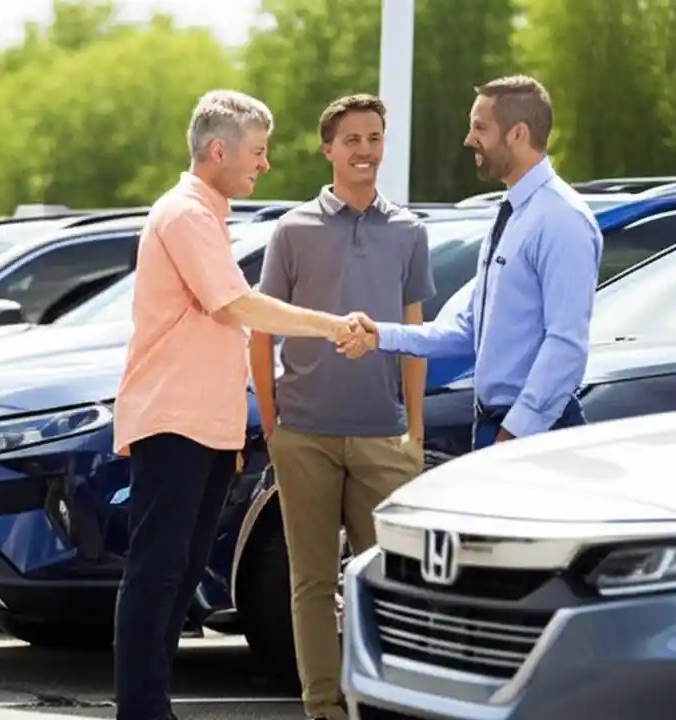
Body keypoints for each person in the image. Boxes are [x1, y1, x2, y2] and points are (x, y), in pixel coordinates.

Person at [111, 89, 354, 720]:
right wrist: (330, 326)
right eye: (257, 151)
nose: (264, 165)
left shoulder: (205, 213)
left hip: (206, 427)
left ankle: (149, 707)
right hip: (175, 422)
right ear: (218, 150)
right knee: (159, 571)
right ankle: (141, 710)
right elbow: (236, 305)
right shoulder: (186, 214)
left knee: (179, 570)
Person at [248, 93, 433, 720]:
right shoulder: (293, 230)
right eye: (352, 139)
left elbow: (413, 337)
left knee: (386, 583)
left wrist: (414, 431)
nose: (365, 151)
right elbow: (261, 329)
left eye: (375, 138)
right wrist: (273, 425)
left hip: (383, 437)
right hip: (305, 435)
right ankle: (322, 708)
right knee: (312, 581)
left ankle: (379, 703)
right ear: (328, 149)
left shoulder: (409, 232)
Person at [339, 75, 602, 450]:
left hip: (536, 435)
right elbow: (467, 333)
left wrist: (516, 432)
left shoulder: (561, 219)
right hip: (496, 426)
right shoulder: (512, 214)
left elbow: (566, 345)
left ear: (517, 133)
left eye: (480, 127)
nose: (468, 139)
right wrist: (378, 335)